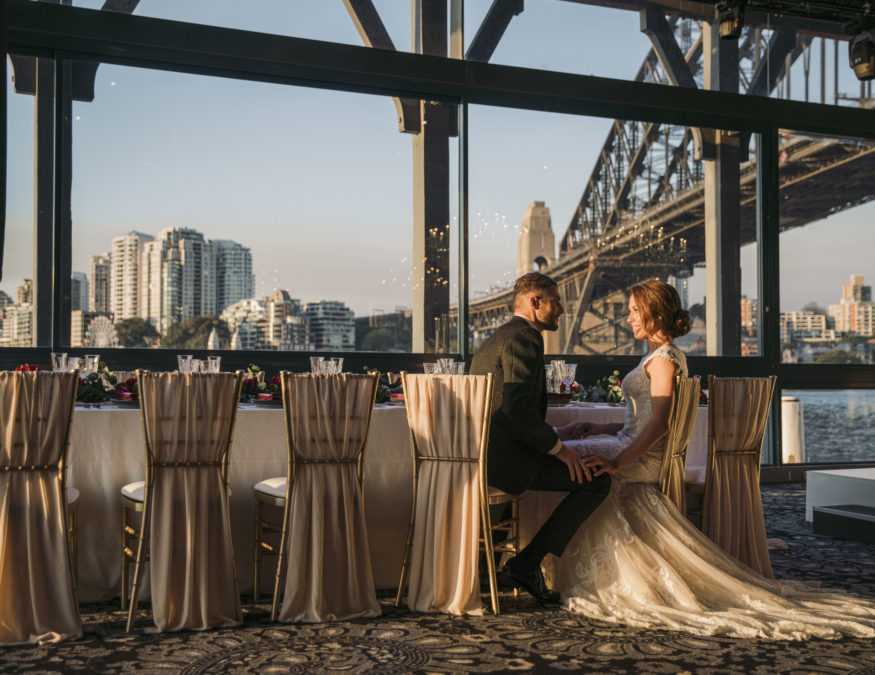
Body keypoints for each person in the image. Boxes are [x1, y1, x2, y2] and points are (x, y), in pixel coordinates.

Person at [559, 279, 875, 639]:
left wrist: (616, 461)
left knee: (567, 458)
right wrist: (598, 429)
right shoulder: (660, 355)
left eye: (634, 311)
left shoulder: (662, 360)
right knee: (578, 452)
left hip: (642, 457)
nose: (629, 318)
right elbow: (643, 419)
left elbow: (661, 424)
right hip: (631, 444)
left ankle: (536, 558)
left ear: (656, 313)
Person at [469, 272, 611, 603]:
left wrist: (557, 434)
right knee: (596, 481)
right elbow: (516, 411)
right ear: (536, 302)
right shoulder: (526, 339)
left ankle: (488, 571)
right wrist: (560, 450)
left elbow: (507, 412)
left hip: (485, 453)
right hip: (505, 461)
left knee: (580, 467)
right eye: (557, 301)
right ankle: (526, 564)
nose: (562, 309)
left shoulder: (498, 337)